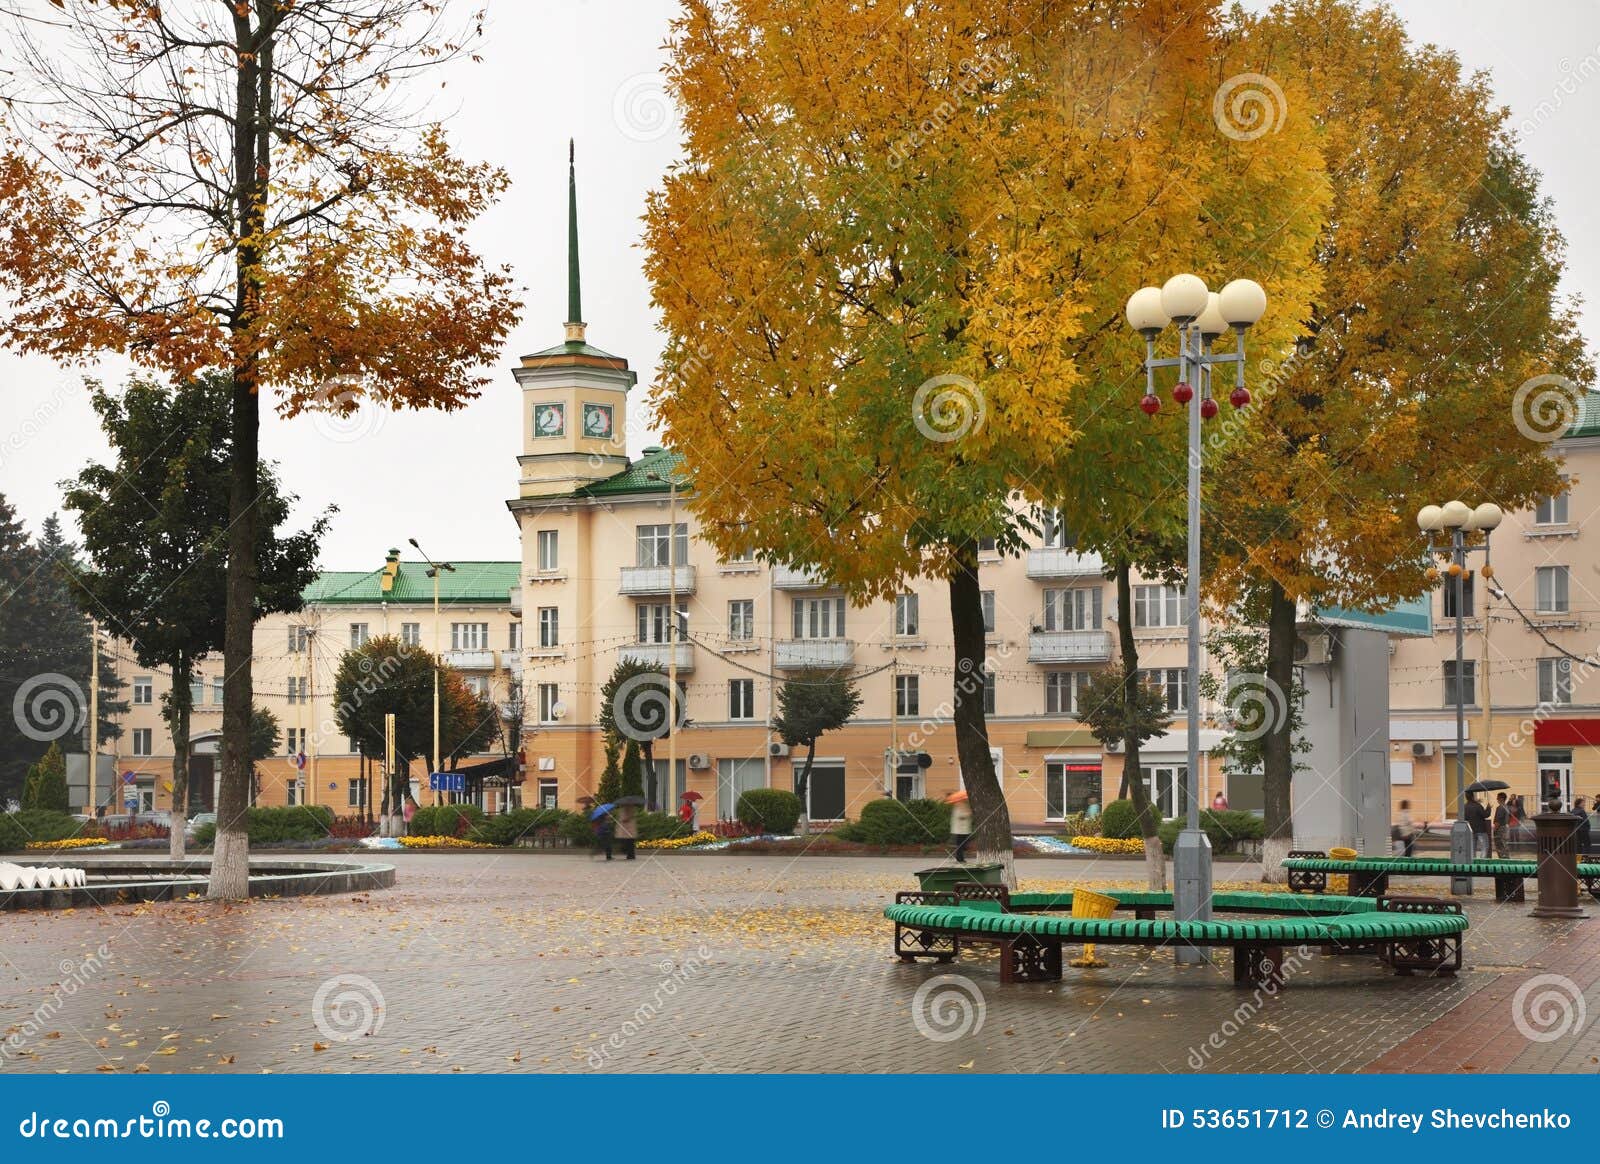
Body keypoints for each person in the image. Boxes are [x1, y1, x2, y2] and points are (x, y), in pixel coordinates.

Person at [1464, 791, 1491, 858]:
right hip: (1481, 830)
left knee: (1472, 848)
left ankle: (1473, 861)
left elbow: (1464, 818)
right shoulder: (1477, 806)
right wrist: (1488, 808)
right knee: (1484, 847)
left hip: (1470, 830)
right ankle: (1482, 861)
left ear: (1466, 797)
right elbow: (1485, 815)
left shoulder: (1464, 806)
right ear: (1473, 796)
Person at [949, 794, 973, 864]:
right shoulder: (958, 805)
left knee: (962, 844)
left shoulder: (965, 805)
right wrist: (968, 813)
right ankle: (959, 859)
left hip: (964, 829)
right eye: (965, 798)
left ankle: (961, 858)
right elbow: (960, 816)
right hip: (960, 830)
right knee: (960, 845)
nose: (966, 799)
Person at [1492, 792, 1510, 859]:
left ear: (1501, 798)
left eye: (1498, 798)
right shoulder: (1506, 807)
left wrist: (1494, 830)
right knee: (1504, 846)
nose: (1497, 799)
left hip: (1499, 830)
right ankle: (1506, 859)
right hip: (1504, 829)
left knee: (1500, 846)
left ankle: (1503, 860)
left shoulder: (1500, 808)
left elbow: (1498, 821)